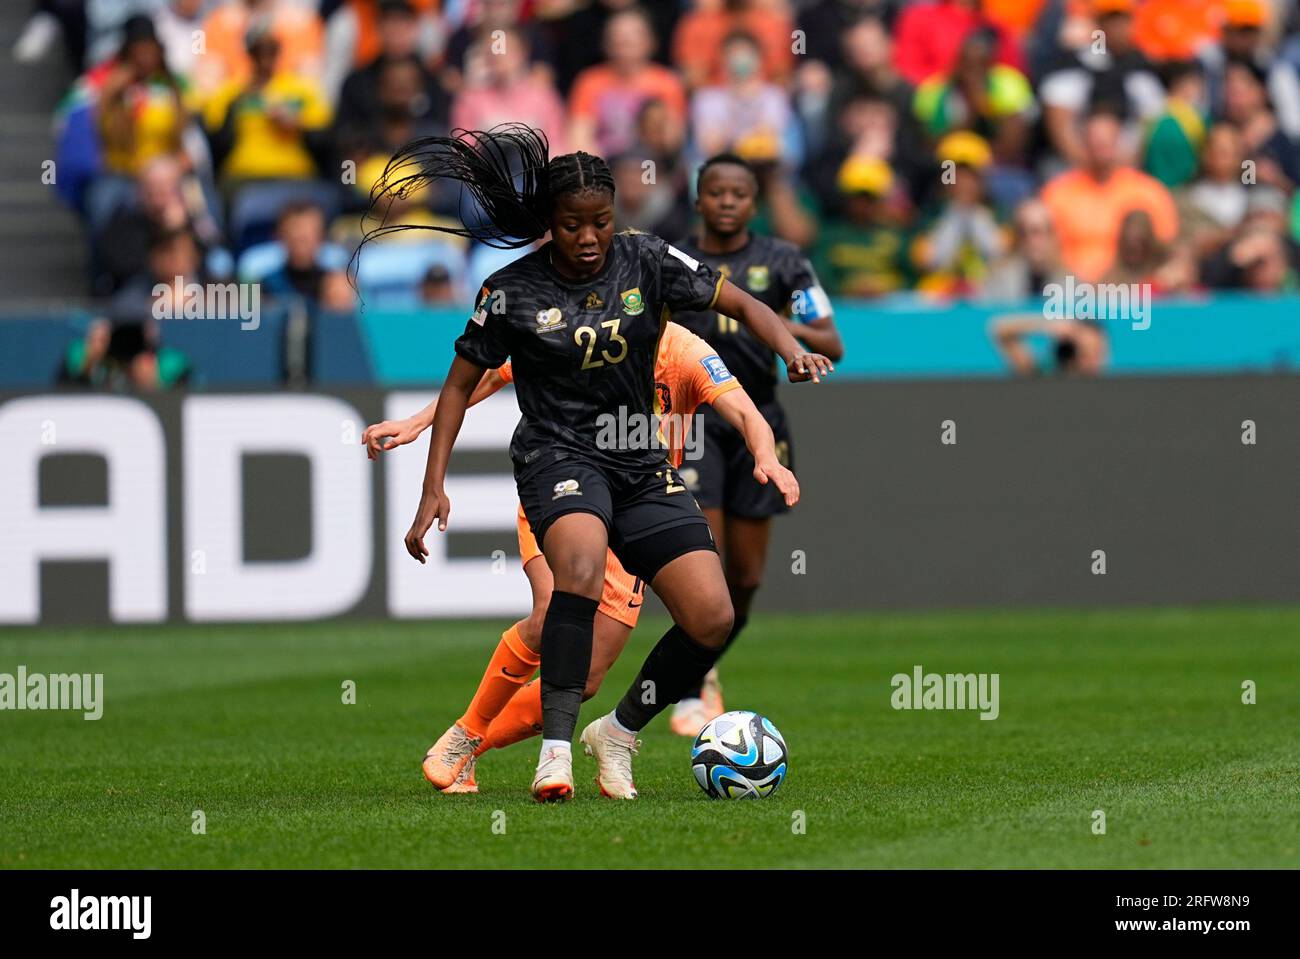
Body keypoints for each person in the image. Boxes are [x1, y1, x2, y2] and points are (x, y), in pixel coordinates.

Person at [355, 124, 833, 802]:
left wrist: (788, 352)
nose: (588, 238)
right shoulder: (510, 291)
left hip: (638, 461)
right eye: (573, 225)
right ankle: (553, 753)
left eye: (601, 223)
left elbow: (746, 306)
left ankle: (617, 730)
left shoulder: (648, 264)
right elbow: (465, 383)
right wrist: (433, 484)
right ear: (549, 224)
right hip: (558, 455)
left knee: (712, 616)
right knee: (573, 575)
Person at [362, 321, 797, 792]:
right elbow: (488, 373)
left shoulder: (685, 352)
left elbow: (745, 410)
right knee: (555, 607)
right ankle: (465, 735)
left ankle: (514, 744)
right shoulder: (580, 331)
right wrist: (417, 421)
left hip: (636, 506)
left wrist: (765, 456)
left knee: (586, 679)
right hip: (562, 488)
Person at [666, 154, 843, 735]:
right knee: (706, 562)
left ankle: (705, 662)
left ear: (754, 202)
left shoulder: (784, 261)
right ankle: (689, 690)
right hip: (692, 418)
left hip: (759, 420)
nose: (726, 201)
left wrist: (778, 333)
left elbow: (833, 341)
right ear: (698, 199)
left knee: (745, 576)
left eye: (738, 193)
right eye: (715, 191)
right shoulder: (671, 259)